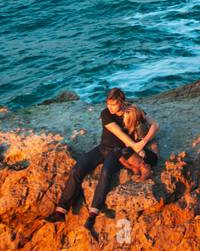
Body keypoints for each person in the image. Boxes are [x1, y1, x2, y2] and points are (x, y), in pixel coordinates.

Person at [46, 88, 150, 234]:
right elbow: (119, 134)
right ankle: (60, 211)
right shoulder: (105, 114)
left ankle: (93, 214)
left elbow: (154, 125)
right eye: (108, 103)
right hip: (102, 148)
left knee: (106, 172)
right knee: (78, 168)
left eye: (113, 104)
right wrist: (136, 145)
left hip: (118, 152)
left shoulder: (132, 112)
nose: (110, 107)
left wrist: (144, 141)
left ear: (121, 102)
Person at [117, 105, 159, 178]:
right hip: (140, 153)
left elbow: (139, 148)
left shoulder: (140, 129)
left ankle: (145, 169)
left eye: (125, 118)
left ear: (132, 120)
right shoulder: (129, 128)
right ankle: (134, 168)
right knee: (117, 150)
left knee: (125, 151)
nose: (123, 120)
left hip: (149, 156)